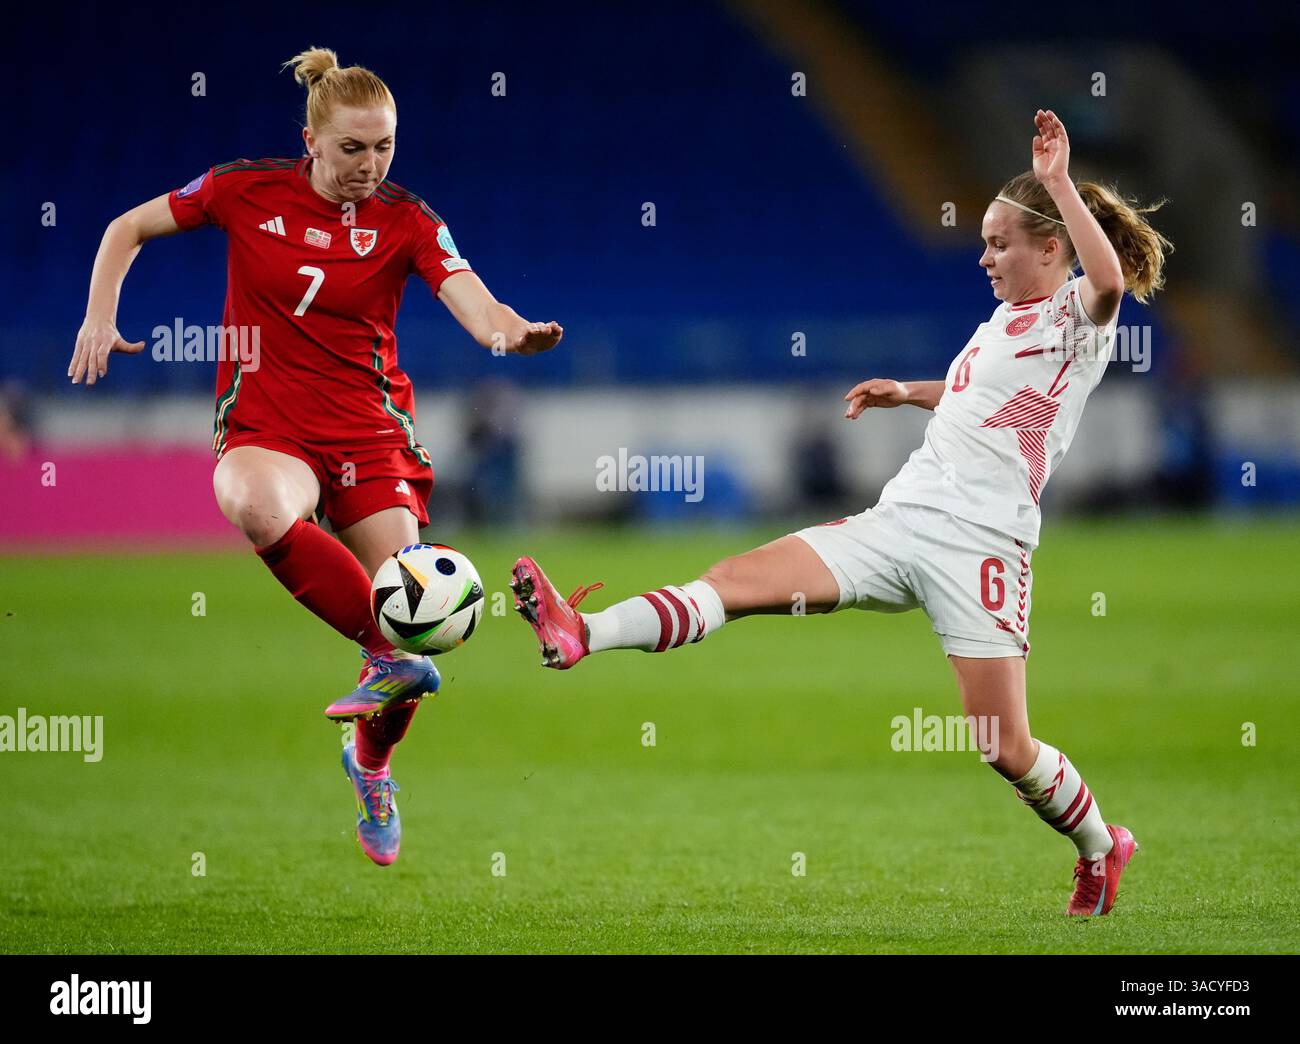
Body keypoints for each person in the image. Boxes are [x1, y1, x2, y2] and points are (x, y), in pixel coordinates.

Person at [511, 110, 1172, 916]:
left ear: (1053, 248)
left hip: (984, 550)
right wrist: (913, 392)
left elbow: (1107, 285)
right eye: (984, 241)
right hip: (901, 522)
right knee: (738, 580)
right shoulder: (1004, 322)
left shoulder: (1081, 320)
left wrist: (1061, 181)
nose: (985, 255)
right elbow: (983, 398)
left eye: (1001, 243)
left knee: (1003, 745)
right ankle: (586, 634)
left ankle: (1103, 846)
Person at [67, 46, 563, 867]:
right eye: (352, 150)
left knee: (420, 629)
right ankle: (380, 655)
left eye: (384, 149)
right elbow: (129, 228)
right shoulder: (243, 188)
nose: (370, 166)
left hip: (369, 432)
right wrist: (97, 313)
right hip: (268, 422)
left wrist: (514, 334)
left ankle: (371, 761)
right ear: (311, 140)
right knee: (258, 505)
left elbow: (479, 305)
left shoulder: (410, 220)